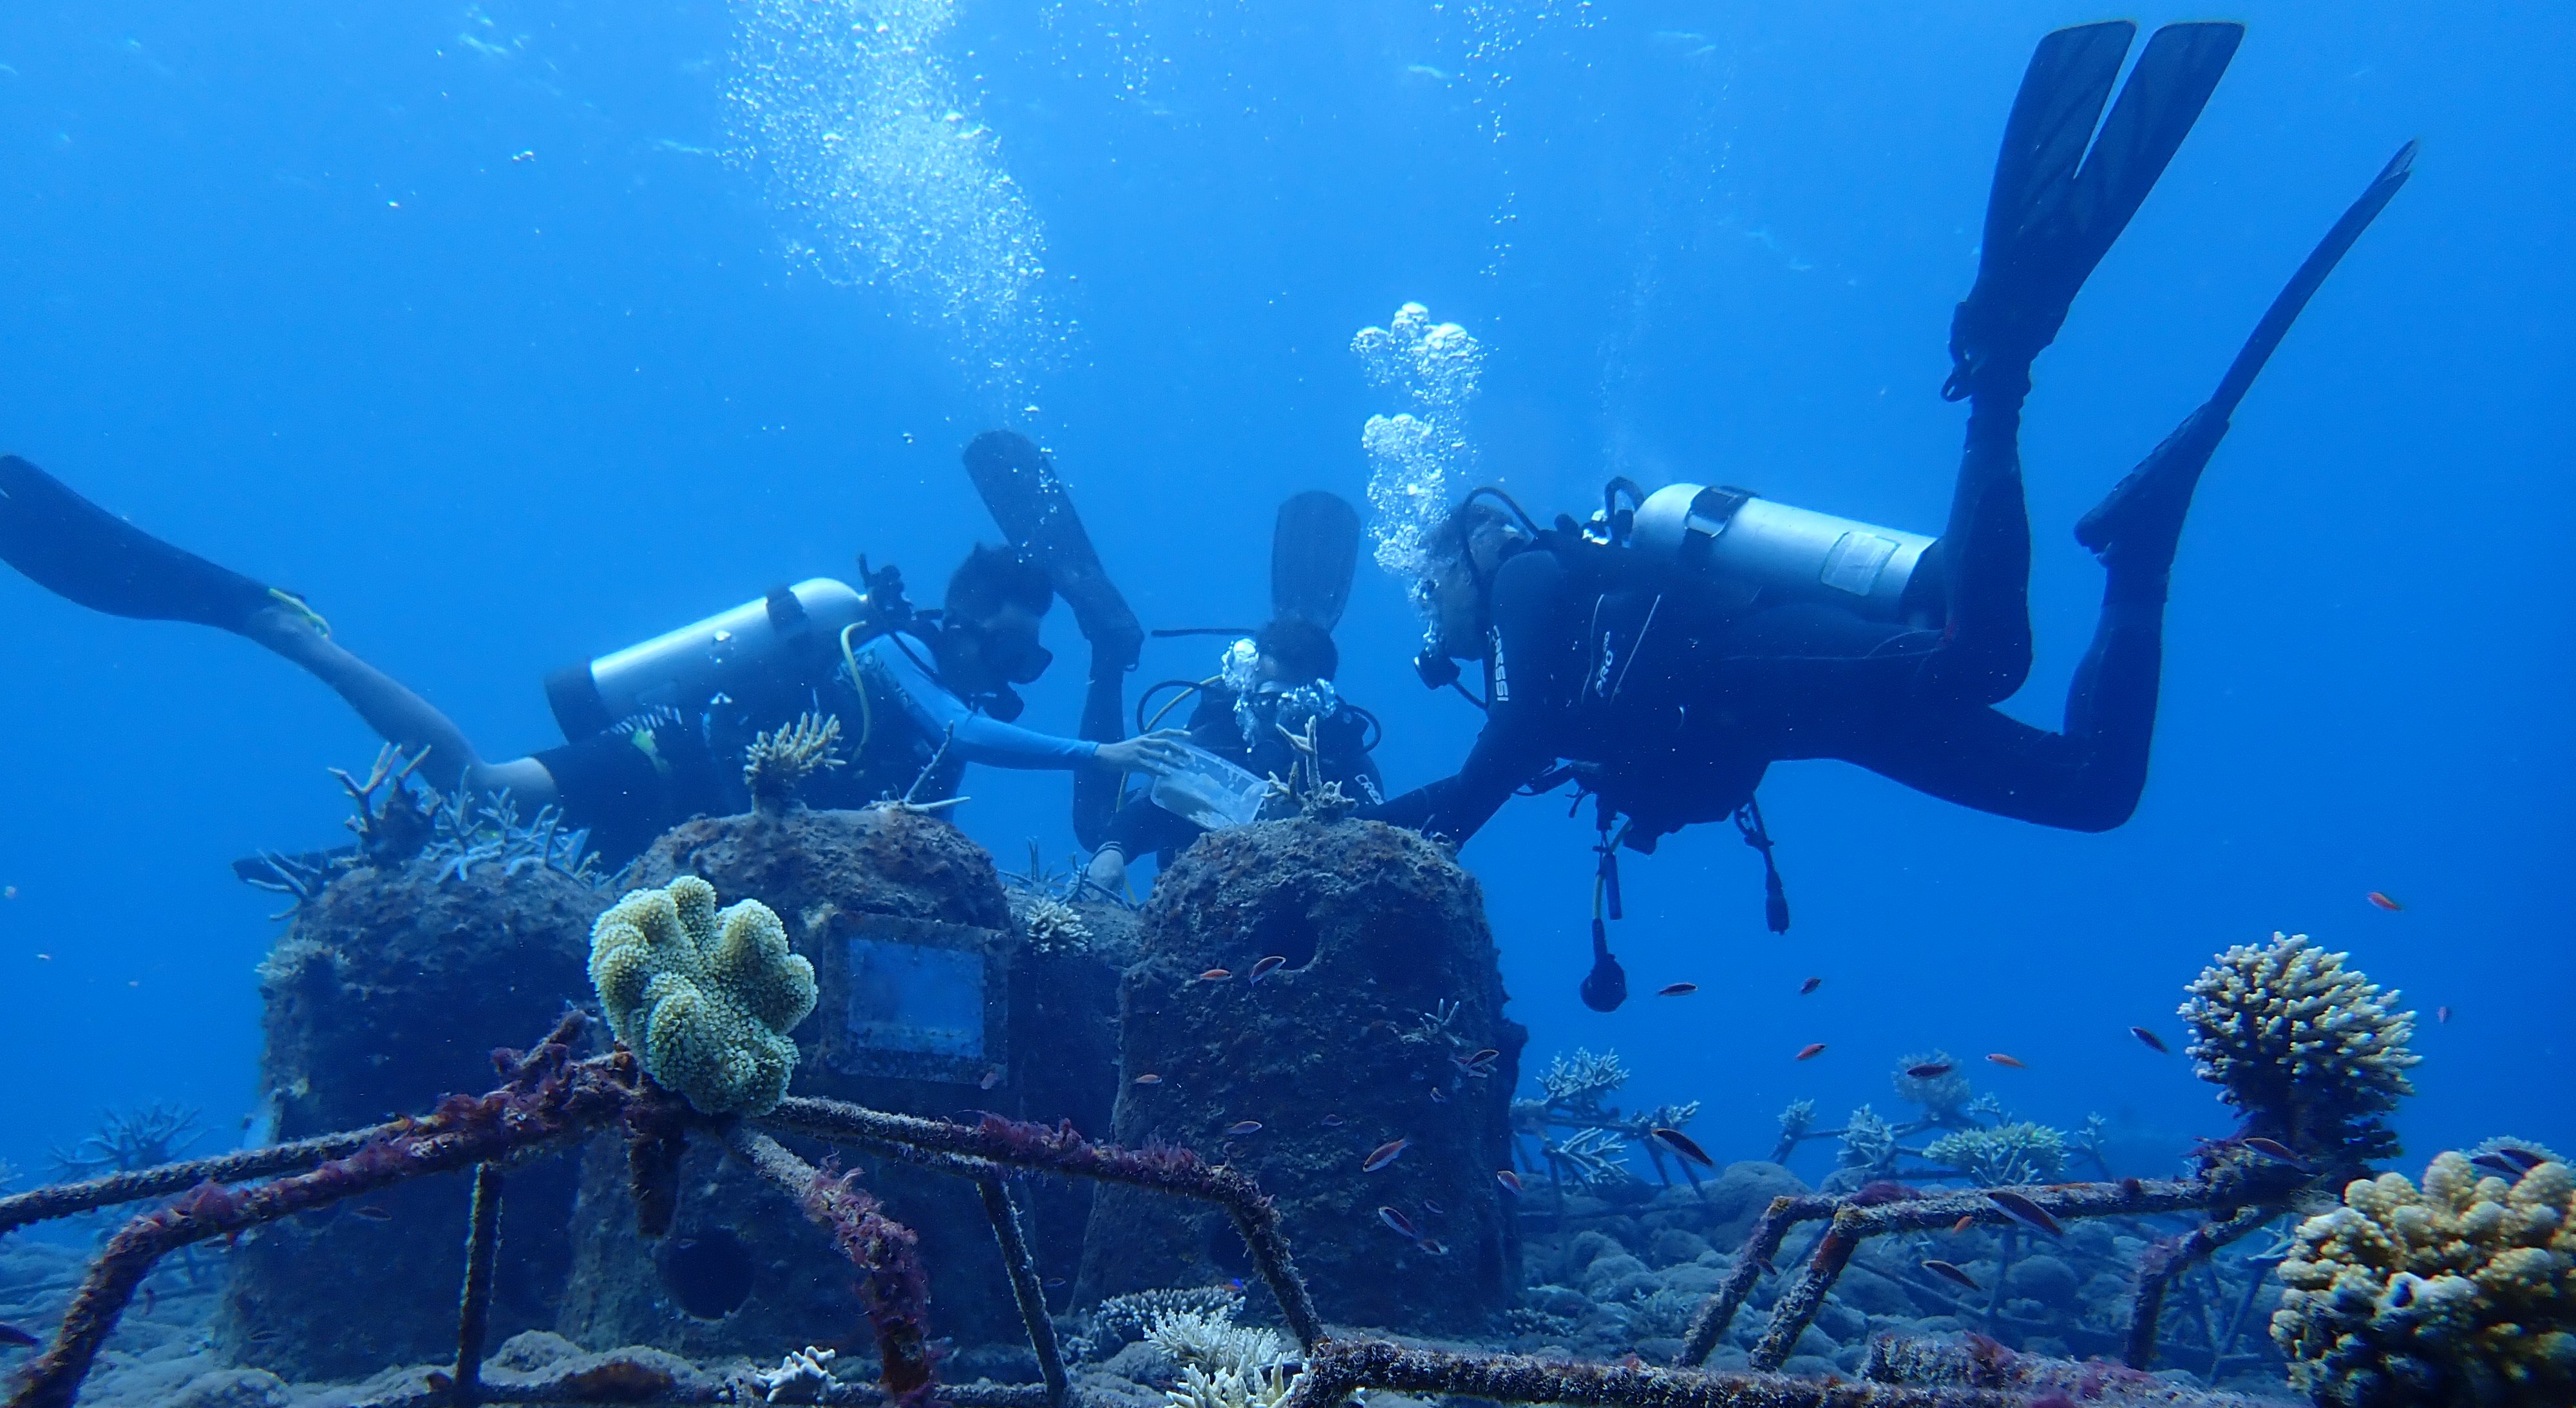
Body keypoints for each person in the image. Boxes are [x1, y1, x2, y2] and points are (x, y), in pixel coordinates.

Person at [1378, 23, 2413, 1001]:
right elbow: (1524, 756)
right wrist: (1362, 831)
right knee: (2089, 791)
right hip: (1814, 713)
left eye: (1430, 590)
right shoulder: (1553, 618)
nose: (1437, 622)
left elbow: (1508, 745)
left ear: (1466, 553)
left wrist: (1377, 859)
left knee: (1984, 662)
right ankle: (2137, 555)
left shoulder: (1519, 574)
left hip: (1761, 670)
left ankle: (1997, 370)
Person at [0, 461, 1185, 863]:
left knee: (488, 837)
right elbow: (962, 732)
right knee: (485, 792)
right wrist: (1104, 743)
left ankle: (362, 865)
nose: (1025, 666)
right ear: (978, 615)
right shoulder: (886, 647)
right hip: (670, 771)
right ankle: (278, 624)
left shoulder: (910, 664)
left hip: (700, 814)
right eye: (1028, 642)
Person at [1083, 614, 1384, 897]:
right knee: (1092, 828)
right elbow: (1155, 803)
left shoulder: (1344, 757)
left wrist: (1310, 826)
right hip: (1197, 895)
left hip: (1300, 905)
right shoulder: (1218, 734)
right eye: (1268, 703)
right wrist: (1114, 849)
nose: (1279, 722)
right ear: (1248, 694)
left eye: (1295, 708)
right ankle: (1107, 663)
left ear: (1321, 706)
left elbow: (1374, 838)